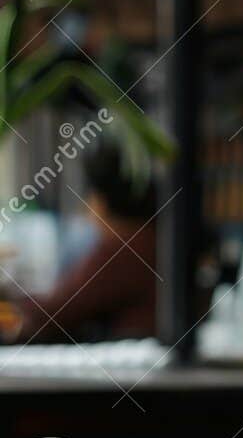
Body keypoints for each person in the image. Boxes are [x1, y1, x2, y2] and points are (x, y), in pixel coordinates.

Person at [6, 144, 158, 342]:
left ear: (101, 203)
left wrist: (11, 302)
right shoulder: (151, 239)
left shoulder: (123, 247)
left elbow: (60, 309)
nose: (86, 212)